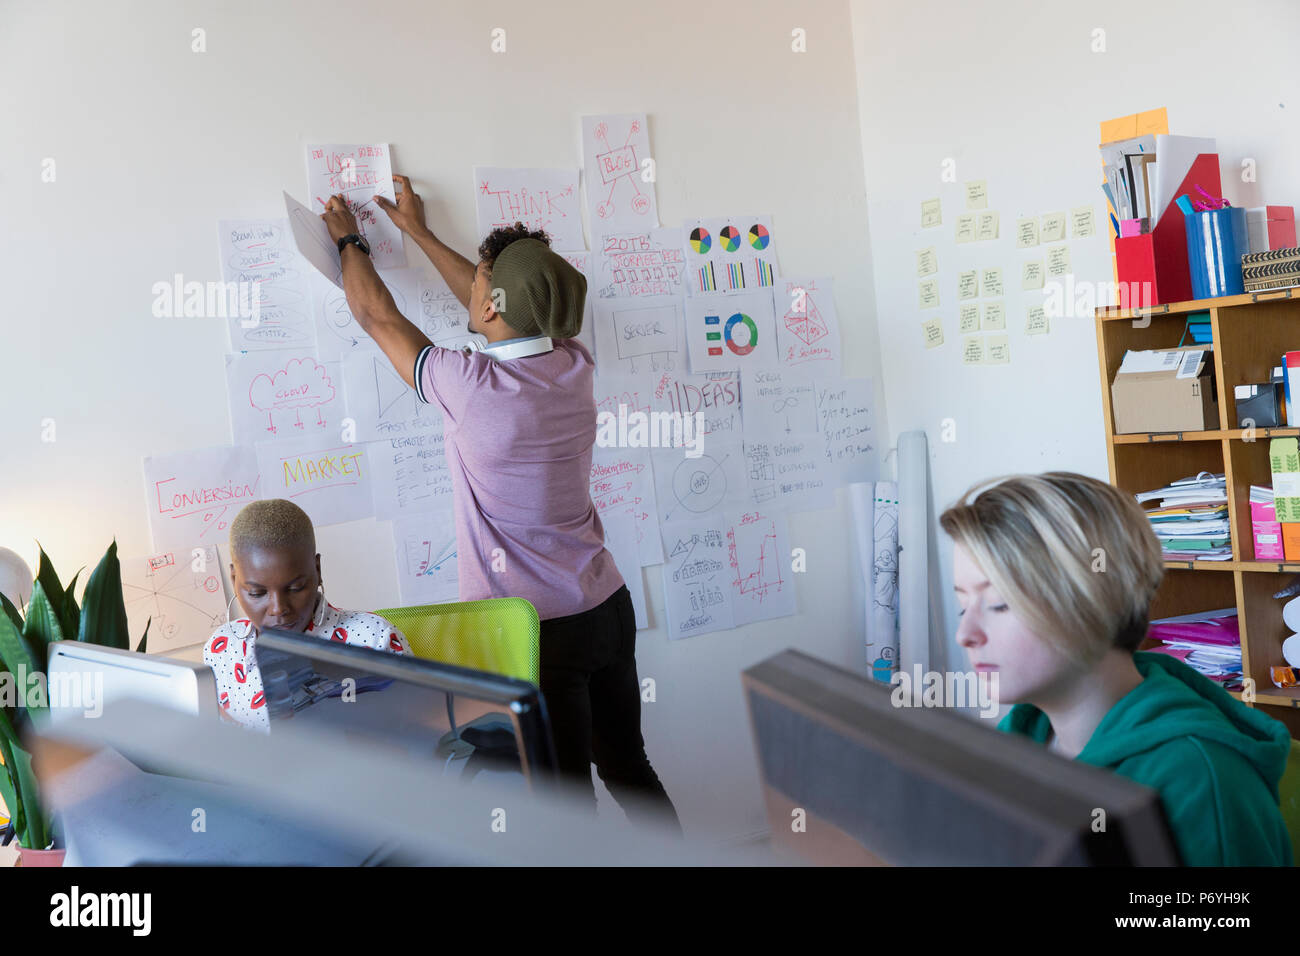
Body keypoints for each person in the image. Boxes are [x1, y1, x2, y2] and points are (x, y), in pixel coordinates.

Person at [316, 179, 679, 830]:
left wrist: (350, 238)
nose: (473, 293)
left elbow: (378, 318)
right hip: (607, 608)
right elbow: (507, 311)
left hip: (539, 632)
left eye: (481, 286)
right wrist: (422, 235)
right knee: (629, 768)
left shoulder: (470, 385)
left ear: (491, 307)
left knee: (564, 809)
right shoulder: (574, 365)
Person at [940, 471, 1292, 865]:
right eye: (962, 605)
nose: (965, 634)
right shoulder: (1020, 741)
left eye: (998, 603)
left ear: (1092, 599)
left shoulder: (1201, 783)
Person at [205, 499, 410, 733]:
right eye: (257, 593)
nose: (278, 608)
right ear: (234, 580)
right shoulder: (221, 650)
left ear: (317, 570)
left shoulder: (373, 639)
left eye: (295, 588)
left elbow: (417, 738)